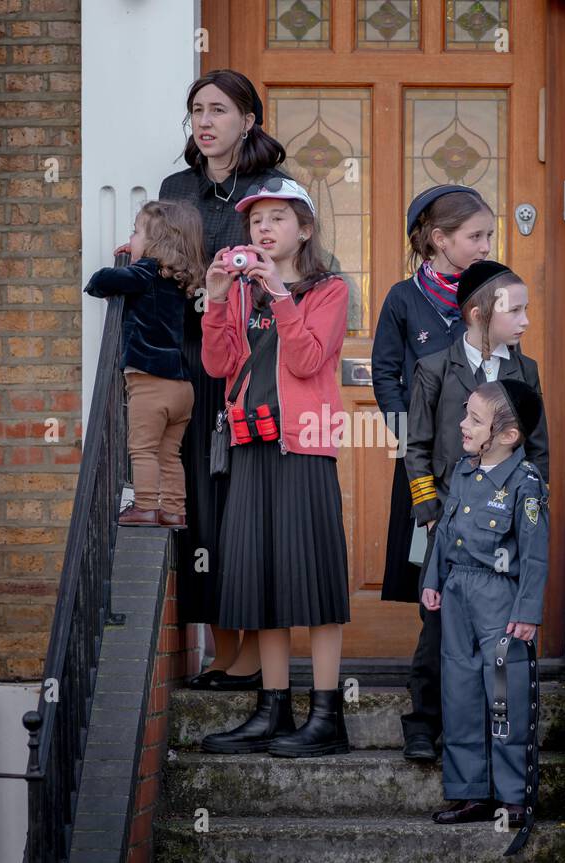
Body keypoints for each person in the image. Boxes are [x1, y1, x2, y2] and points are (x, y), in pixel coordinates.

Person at [198, 177, 352, 757]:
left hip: (304, 445)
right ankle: (272, 710)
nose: (263, 228)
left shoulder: (329, 289)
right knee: (260, 580)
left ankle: (327, 716)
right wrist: (217, 297)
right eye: (256, 220)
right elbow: (218, 364)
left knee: (311, 579)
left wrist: (281, 297)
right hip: (250, 441)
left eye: (278, 219)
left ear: (304, 229)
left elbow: (310, 358)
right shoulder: (241, 291)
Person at [157, 69, 288, 691]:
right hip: (190, 357)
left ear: (247, 120)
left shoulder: (274, 190)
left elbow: (297, 266)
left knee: (247, 504)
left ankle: (258, 651)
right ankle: (221, 647)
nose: (204, 122)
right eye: (196, 111)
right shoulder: (176, 188)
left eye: (217, 110)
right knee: (202, 508)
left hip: (252, 363)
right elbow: (165, 266)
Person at [401, 259, 549, 764]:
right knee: (437, 622)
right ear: (481, 313)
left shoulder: (524, 371)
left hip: (502, 526)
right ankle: (423, 723)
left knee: (495, 633)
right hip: (445, 519)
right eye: (517, 310)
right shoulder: (435, 369)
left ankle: (492, 728)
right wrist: (427, 508)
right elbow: (416, 447)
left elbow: (538, 451)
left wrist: (526, 505)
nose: (526, 320)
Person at [371, 185, 495, 763]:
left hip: (489, 477)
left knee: (482, 599)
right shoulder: (402, 299)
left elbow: (509, 378)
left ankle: (475, 720)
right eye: (477, 236)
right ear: (440, 240)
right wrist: (415, 441)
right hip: (427, 479)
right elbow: (386, 376)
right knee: (437, 599)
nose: (486, 245)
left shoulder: (493, 296)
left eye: (489, 236)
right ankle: (424, 720)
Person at [421, 379, 549, 854]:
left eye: (474, 419)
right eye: (466, 416)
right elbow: (445, 529)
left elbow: (535, 554)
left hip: (500, 601)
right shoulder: (463, 473)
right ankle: (469, 791)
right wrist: (432, 580)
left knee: (502, 696)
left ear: (508, 435)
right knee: (457, 691)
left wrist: (529, 610)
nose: (463, 425)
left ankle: (513, 796)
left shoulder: (525, 483)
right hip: (457, 593)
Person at [84, 201, 204, 528]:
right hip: (182, 387)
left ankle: (147, 506)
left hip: (150, 384)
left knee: (143, 449)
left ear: (155, 242)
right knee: (169, 454)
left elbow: (103, 281)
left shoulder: (146, 271)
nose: (131, 238)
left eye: (136, 232)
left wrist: (121, 265)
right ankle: (174, 510)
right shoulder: (178, 280)